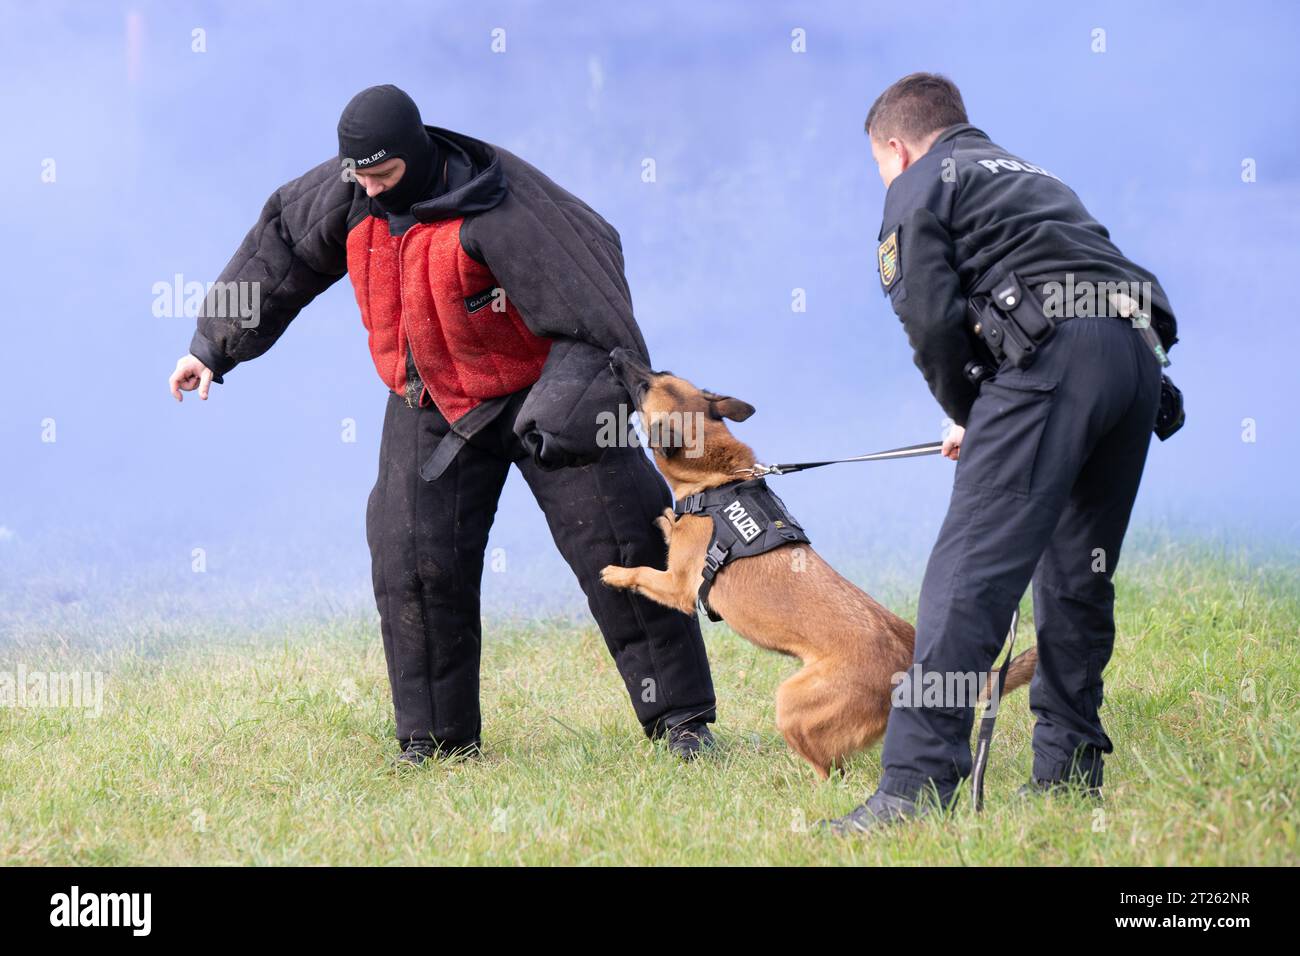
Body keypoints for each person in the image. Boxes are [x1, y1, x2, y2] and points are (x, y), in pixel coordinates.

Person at [168, 85, 717, 766]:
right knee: (411, 559)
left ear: (416, 153)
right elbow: (279, 250)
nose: (372, 189)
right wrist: (211, 348)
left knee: (622, 540)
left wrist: (568, 414)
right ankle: (436, 742)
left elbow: (600, 318)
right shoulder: (353, 189)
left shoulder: (505, 204)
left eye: (385, 174)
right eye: (360, 176)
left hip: (545, 395)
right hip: (432, 400)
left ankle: (682, 722)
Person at [823, 73, 1179, 832]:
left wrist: (973, 411)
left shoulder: (920, 182)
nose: (884, 178)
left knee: (968, 575)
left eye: (880, 165)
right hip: (1134, 358)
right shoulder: (1030, 174)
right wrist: (1001, 406)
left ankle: (913, 791)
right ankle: (1068, 775)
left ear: (896, 147)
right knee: (1078, 573)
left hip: (1054, 358)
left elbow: (929, 314)